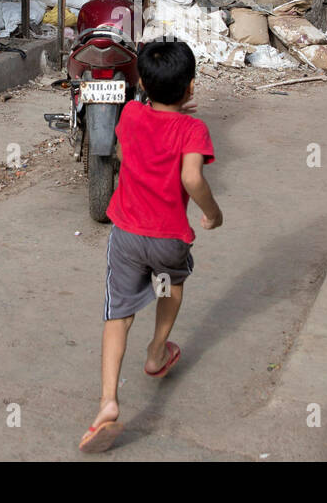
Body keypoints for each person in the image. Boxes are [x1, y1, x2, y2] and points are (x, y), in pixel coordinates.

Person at [79, 39, 222, 454]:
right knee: (168, 286)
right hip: (167, 241)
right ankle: (157, 352)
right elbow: (192, 179)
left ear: (142, 82)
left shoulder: (130, 113)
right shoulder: (193, 129)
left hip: (126, 237)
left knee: (118, 315)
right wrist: (213, 213)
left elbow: (143, 121)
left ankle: (108, 400)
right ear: (191, 87)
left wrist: (162, 106)